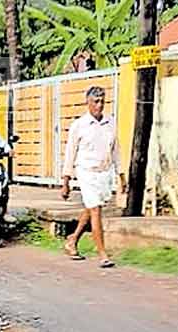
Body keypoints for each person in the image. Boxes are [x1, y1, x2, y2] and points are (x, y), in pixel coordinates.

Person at [60, 86, 125, 268]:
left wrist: (121, 175)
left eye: (102, 101)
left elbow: (116, 151)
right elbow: (70, 153)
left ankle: (72, 239)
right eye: (96, 101)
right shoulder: (79, 125)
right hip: (86, 172)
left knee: (91, 207)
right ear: (87, 102)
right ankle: (102, 254)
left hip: (104, 172)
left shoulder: (110, 123)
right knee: (96, 210)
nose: (99, 105)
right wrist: (66, 181)